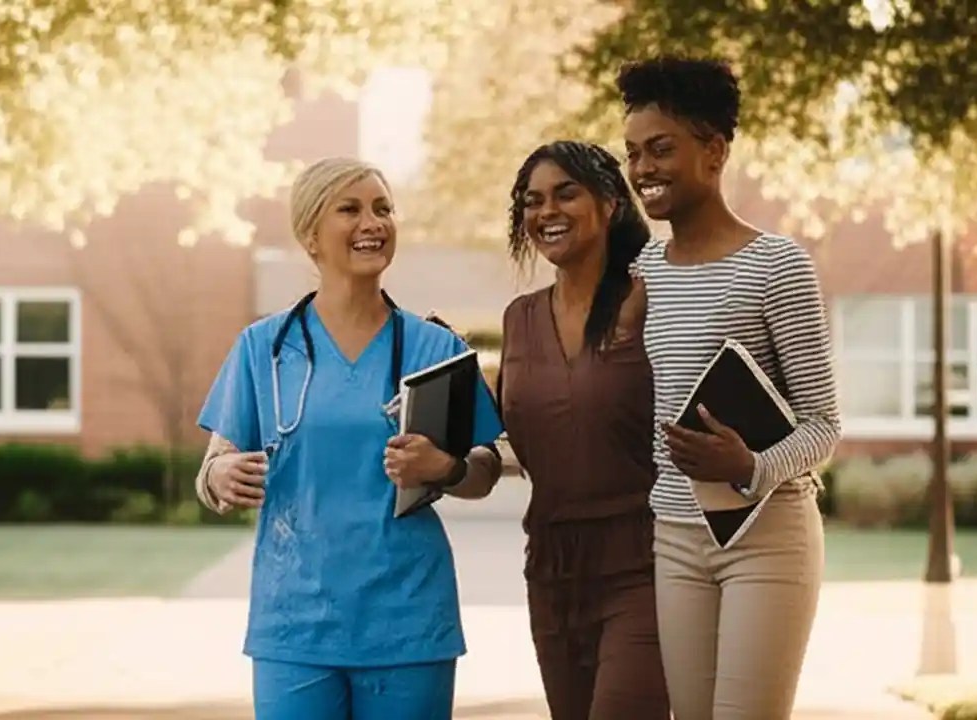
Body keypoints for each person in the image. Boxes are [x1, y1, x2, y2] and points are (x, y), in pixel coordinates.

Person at [193, 157, 505, 720]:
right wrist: (219, 475)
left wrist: (444, 468)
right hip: (295, 621)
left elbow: (485, 467)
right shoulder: (263, 347)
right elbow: (214, 465)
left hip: (408, 617)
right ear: (311, 234)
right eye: (351, 209)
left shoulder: (435, 348)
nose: (374, 222)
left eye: (383, 209)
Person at [618, 56, 842, 719]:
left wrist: (750, 465)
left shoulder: (776, 264)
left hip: (767, 535)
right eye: (633, 154)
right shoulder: (645, 268)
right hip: (676, 535)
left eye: (661, 149)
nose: (642, 170)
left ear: (714, 152)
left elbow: (824, 425)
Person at [499, 140, 670, 719]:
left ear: (611, 204)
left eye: (565, 193)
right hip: (550, 568)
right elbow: (514, 441)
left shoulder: (652, 298)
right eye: (532, 200)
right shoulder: (519, 320)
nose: (546, 210)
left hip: (644, 563)